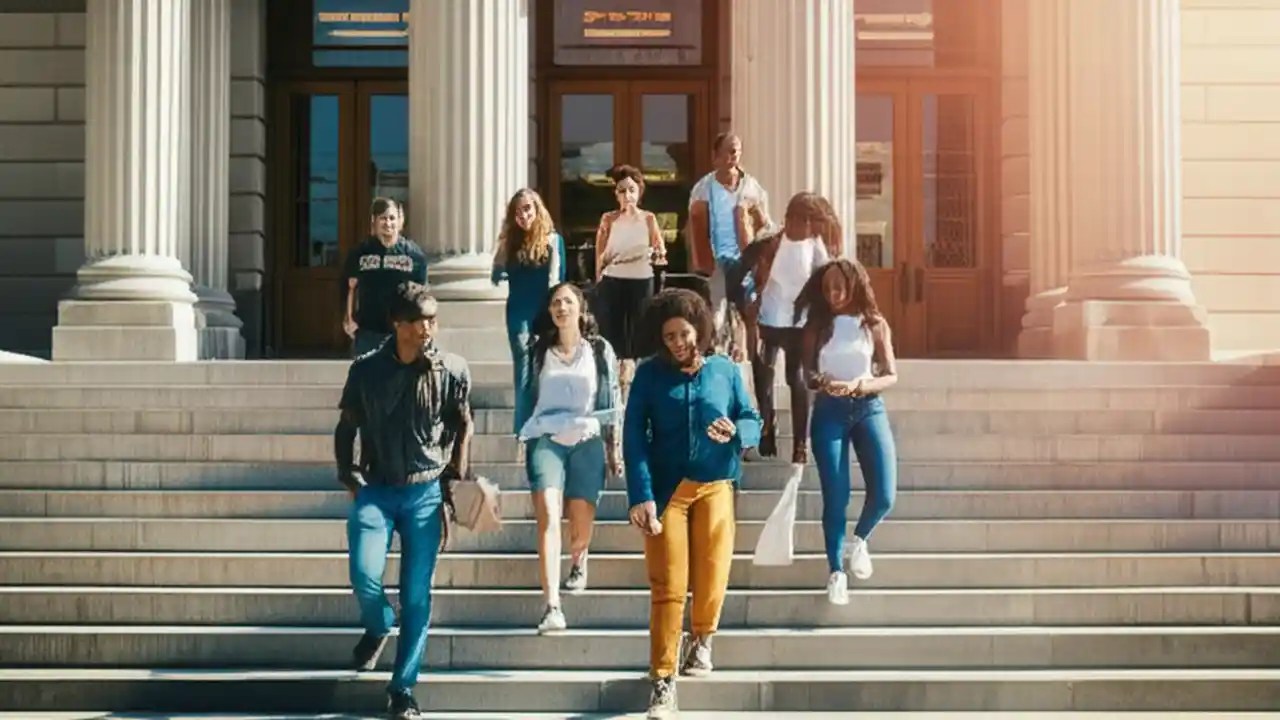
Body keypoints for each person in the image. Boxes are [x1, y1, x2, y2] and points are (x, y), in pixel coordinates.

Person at [333, 282, 473, 720]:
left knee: (416, 595)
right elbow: (346, 427)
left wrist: (455, 484)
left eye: (433, 319)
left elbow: (463, 425)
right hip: (375, 489)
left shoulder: (451, 370)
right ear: (398, 324)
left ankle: (403, 689)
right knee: (363, 574)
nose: (428, 328)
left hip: (425, 493)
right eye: (419, 320)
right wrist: (348, 474)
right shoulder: (366, 370)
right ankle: (378, 625)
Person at [623, 289, 762, 720]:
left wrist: (737, 431)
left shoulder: (724, 370)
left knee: (713, 573)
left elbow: (752, 419)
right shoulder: (648, 376)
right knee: (667, 586)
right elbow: (633, 439)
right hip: (667, 492)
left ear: (699, 331)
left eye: (684, 334)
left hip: (717, 484)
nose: (677, 343)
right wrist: (640, 495)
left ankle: (702, 639)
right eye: (668, 337)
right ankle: (663, 680)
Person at [514, 282, 622, 633]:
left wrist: (613, 446)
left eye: (568, 302)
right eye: (556, 303)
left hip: (588, 438)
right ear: (549, 311)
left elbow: (613, 400)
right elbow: (523, 396)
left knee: (579, 528)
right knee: (547, 516)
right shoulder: (536, 350)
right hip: (546, 438)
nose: (561, 308)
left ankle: (579, 559)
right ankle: (551, 606)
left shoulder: (600, 350)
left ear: (580, 308)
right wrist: (521, 435)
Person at [794, 259, 899, 606]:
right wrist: (821, 381)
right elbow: (806, 373)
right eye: (826, 289)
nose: (833, 294)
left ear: (854, 285)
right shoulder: (817, 327)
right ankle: (835, 572)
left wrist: (861, 383)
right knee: (836, 496)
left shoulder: (874, 324)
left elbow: (891, 374)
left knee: (884, 494)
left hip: (869, 406)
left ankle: (860, 539)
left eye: (838, 286)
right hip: (829, 412)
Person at [736, 192, 840, 463]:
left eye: (810, 221)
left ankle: (800, 445)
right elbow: (740, 274)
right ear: (789, 220)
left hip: (799, 324)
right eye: (802, 220)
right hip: (767, 321)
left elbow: (825, 282)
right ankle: (767, 425)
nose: (807, 226)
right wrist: (746, 303)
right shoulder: (769, 244)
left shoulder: (815, 246)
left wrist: (823, 319)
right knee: (763, 375)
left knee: (798, 379)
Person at [687, 133, 773, 359]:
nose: (733, 155)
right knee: (717, 309)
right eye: (729, 151)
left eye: (736, 150)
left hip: (745, 258)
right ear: (716, 156)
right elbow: (694, 227)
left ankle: (748, 355)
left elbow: (765, 224)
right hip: (716, 258)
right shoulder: (704, 188)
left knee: (748, 308)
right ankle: (716, 354)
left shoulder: (752, 187)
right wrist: (699, 260)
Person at [491, 189, 566, 435]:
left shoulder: (552, 240)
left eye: (527, 209)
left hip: (543, 311)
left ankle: (542, 421)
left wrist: (555, 314)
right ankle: (522, 429)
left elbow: (557, 279)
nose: (523, 216)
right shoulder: (509, 242)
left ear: (537, 209)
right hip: (518, 312)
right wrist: (501, 257)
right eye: (517, 212)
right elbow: (495, 275)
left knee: (543, 368)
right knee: (522, 364)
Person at [594, 164, 667, 397]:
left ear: (639, 192)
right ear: (616, 194)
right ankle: (614, 383)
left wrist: (655, 255)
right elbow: (600, 252)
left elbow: (660, 250)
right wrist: (599, 277)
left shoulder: (648, 219)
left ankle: (637, 381)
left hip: (641, 278)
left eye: (632, 190)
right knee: (613, 333)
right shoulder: (608, 219)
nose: (628, 195)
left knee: (638, 331)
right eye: (622, 191)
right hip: (613, 279)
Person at [341, 198, 428, 357]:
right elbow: (349, 287)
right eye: (383, 218)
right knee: (368, 380)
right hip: (368, 332)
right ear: (374, 221)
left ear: (400, 221)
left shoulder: (414, 256)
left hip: (402, 332)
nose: (388, 223)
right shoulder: (360, 253)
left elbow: (422, 296)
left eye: (391, 218)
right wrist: (349, 319)